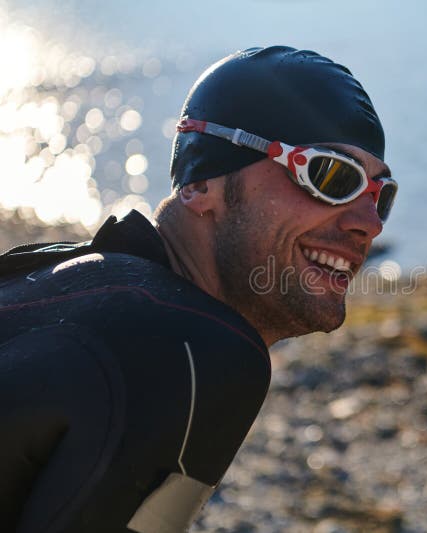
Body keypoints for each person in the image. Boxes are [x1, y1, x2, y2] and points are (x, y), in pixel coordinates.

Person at [0, 45, 397, 533]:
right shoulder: (197, 349)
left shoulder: (55, 273)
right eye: (331, 176)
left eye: (381, 196)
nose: (369, 225)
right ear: (199, 185)